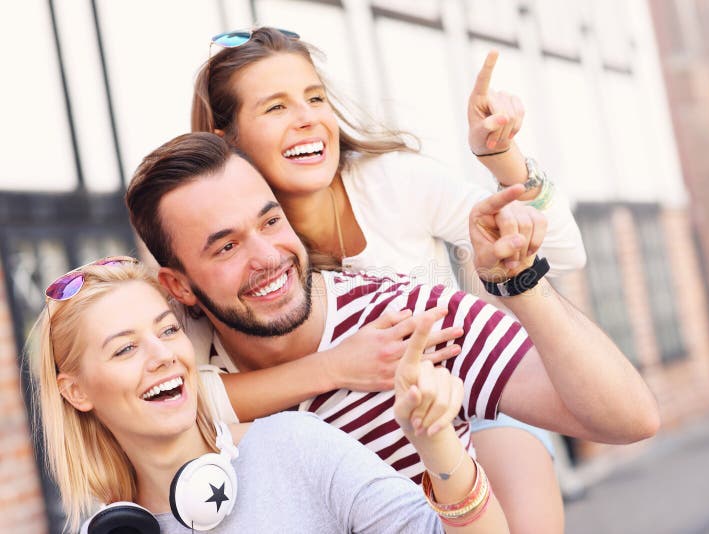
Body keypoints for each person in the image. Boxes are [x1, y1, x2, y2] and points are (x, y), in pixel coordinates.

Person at [125, 132, 660, 531]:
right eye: (226, 247)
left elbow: (630, 418)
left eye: (270, 222)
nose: (268, 257)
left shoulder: (408, 321)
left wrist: (520, 284)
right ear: (179, 285)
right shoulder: (174, 371)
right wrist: (331, 370)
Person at [191, 27, 586, 531]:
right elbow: (192, 400)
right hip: (349, 463)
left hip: (464, 404)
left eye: (315, 98)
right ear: (226, 140)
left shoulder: (392, 183)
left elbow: (564, 251)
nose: (307, 117)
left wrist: (501, 156)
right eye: (276, 107)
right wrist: (335, 368)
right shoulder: (222, 252)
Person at [32, 257, 510, 533]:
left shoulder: (292, 446)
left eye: (168, 330)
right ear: (76, 392)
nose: (163, 356)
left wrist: (437, 445)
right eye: (125, 348)